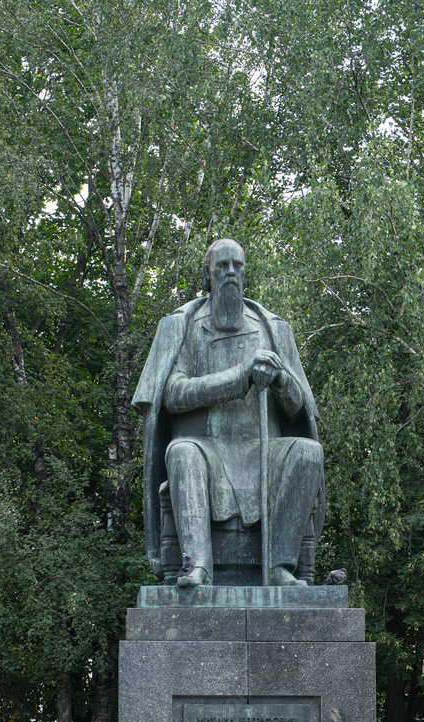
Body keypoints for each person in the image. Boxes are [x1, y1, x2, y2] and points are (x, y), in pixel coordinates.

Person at [132, 239, 324, 587]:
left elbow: (301, 407)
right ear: (207, 275)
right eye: (222, 266)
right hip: (206, 449)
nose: (231, 272)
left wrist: (280, 378)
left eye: (238, 265)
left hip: (262, 452)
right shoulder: (183, 327)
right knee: (181, 453)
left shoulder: (273, 328)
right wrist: (239, 378)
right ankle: (198, 565)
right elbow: (172, 395)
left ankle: (279, 567)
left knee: (309, 453)